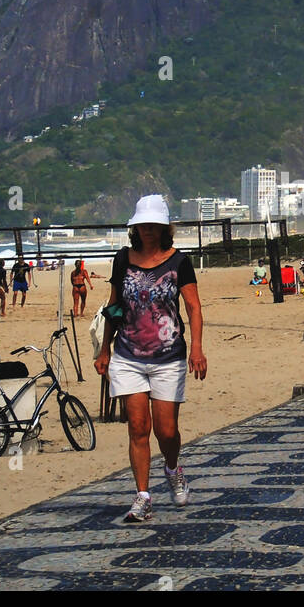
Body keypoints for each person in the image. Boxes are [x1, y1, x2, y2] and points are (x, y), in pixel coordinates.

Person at [94, 194, 206, 525]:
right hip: (127, 354)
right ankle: (143, 496)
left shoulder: (179, 262)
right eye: (142, 225)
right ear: (135, 227)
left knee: (166, 431)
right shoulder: (123, 259)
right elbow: (114, 306)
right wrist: (104, 348)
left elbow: (194, 307)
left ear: (163, 228)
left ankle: (172, 468)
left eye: (153, 226)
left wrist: (197, 349)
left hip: (168, 356)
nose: (147, 231)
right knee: (138, 426)